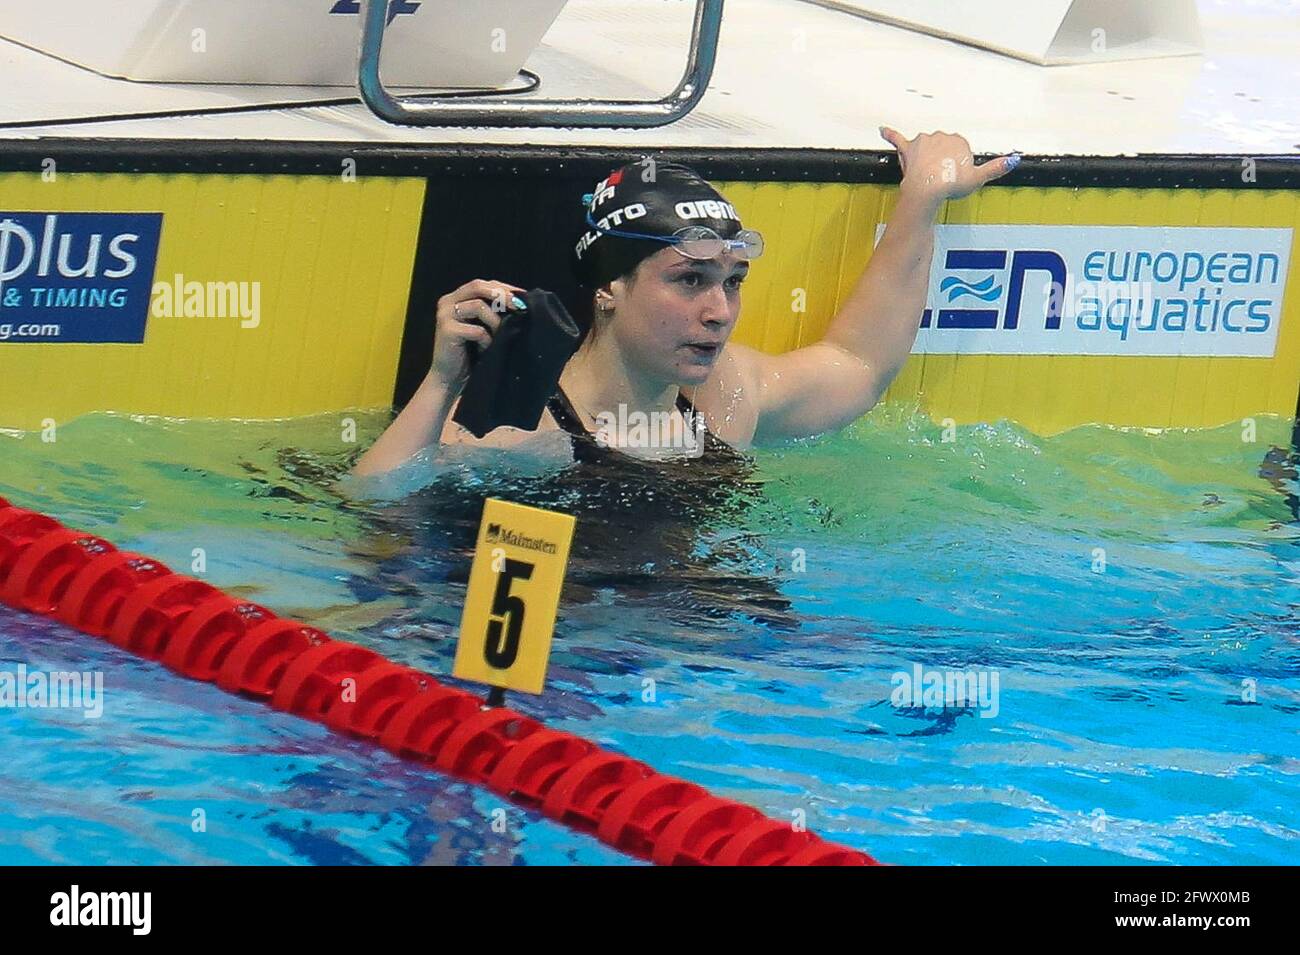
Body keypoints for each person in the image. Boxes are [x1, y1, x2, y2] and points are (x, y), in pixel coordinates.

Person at [352, 129, 1018, 478]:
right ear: (609, 289)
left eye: (732, 281)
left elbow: (858, 365)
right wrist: (443, 382)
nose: (720, 311)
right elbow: (376, 504)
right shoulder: (530, 428)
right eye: (690, 280)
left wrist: (922, 199)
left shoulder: (726, 397)